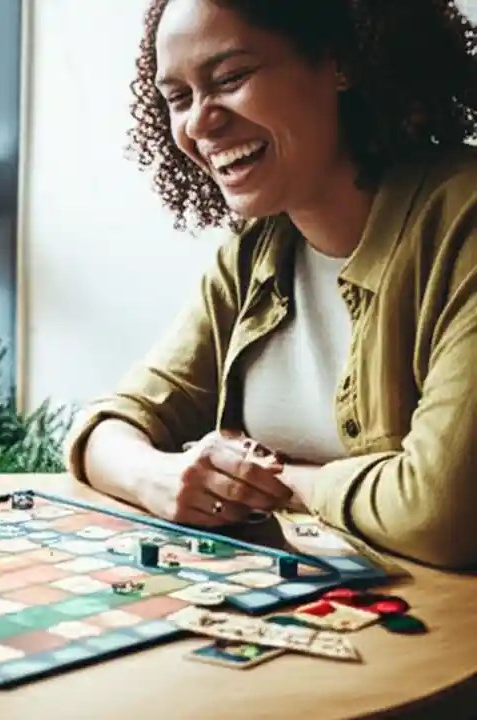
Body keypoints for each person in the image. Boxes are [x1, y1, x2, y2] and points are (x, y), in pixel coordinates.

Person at [66, 0, 477, 570]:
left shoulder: (464, 225)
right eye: (178, 98)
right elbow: (109, 425)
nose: (198, 123)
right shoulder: (257, 249)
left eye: (231, 78)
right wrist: (160, 476)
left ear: (340, 61)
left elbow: (439, 512)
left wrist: (271, 484)